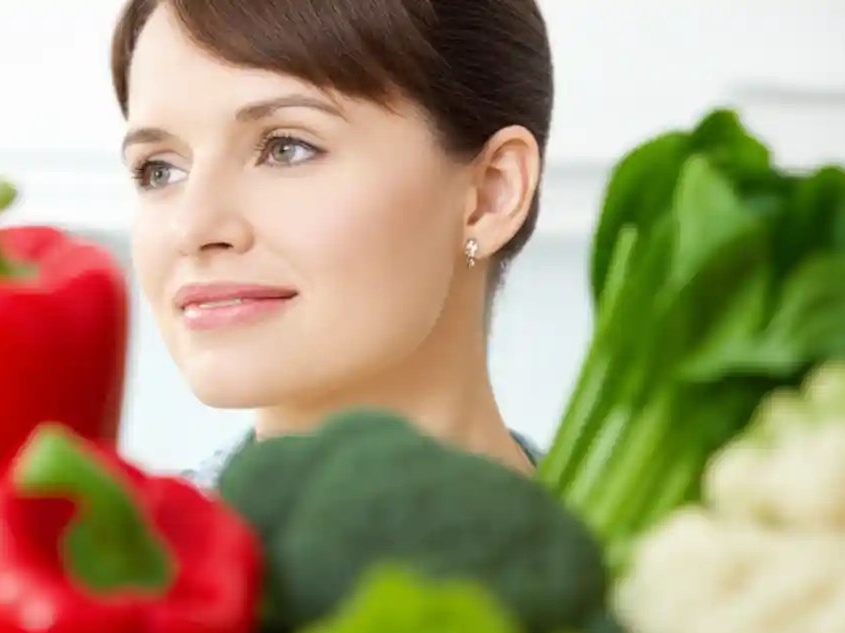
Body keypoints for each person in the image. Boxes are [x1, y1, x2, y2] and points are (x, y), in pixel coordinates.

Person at [110, 0, 552, 486]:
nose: (193, 228)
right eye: (159, 170)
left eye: (286, 149)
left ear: (490, 195)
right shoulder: (103, 535)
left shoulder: (610, 536)